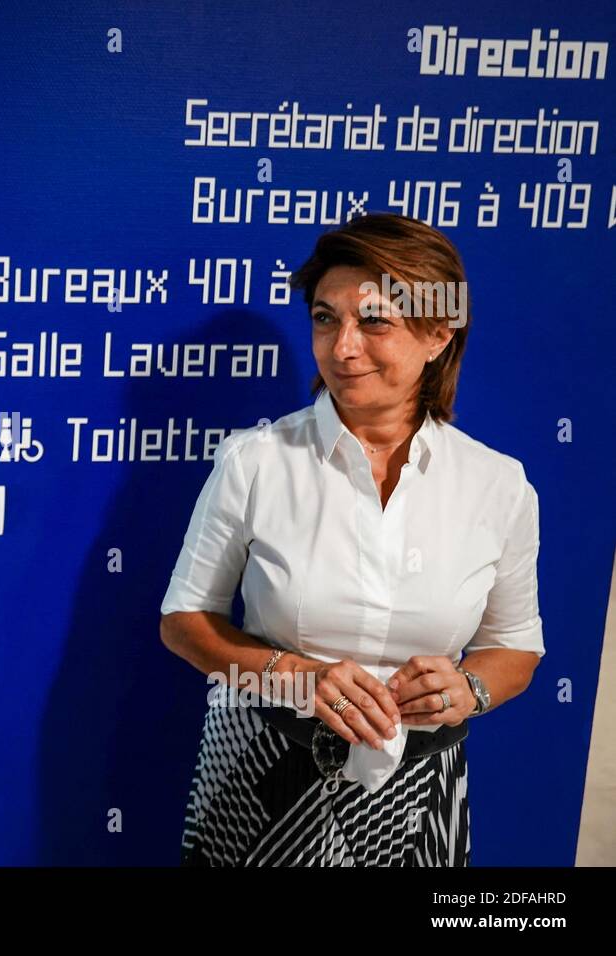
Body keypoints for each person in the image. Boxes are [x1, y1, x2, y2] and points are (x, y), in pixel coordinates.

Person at [159, 213, 543, 866]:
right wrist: (297, 679)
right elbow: (184, 623)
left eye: (373, 321)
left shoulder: (498, 485)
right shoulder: (255, 461)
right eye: (324, 318)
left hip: (421, 794)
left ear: (438, 334)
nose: (341, 348)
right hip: (259, 776)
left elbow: (515, 649)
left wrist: (469, 689)